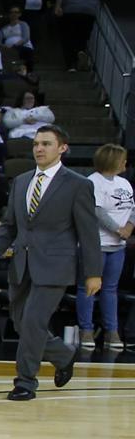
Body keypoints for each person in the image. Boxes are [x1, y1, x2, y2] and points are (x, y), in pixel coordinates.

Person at [0, 125, 104, 400]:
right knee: (21, 322)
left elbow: (88, 232)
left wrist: (94, 273)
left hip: (56, 266)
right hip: (21, 264)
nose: (39, 148)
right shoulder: (21, 181)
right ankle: (63, 355)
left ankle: (25, 381)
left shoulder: (78, 185)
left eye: (46, 143)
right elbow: (9, 226)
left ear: (62, 148)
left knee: (34, 322)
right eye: (36, 143)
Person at [80, 145, 134, 354]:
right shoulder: (93, 181)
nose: (125, 164)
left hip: (118, 246)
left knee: (110, 289)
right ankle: (86, 330)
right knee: (88, 288)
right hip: (96, 244)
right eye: (122, 159)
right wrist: (117, 229)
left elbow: (132, 208)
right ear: (112, 161)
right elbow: (96, 210)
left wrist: (128, 228)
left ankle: (112, 332)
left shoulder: (124, 183)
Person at [54, 0, 116, 71]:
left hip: (70, 10)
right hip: (89, 10)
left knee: (68, 37)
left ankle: (71, 65)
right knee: (82, 36)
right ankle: (80, 51)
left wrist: (58, 6)